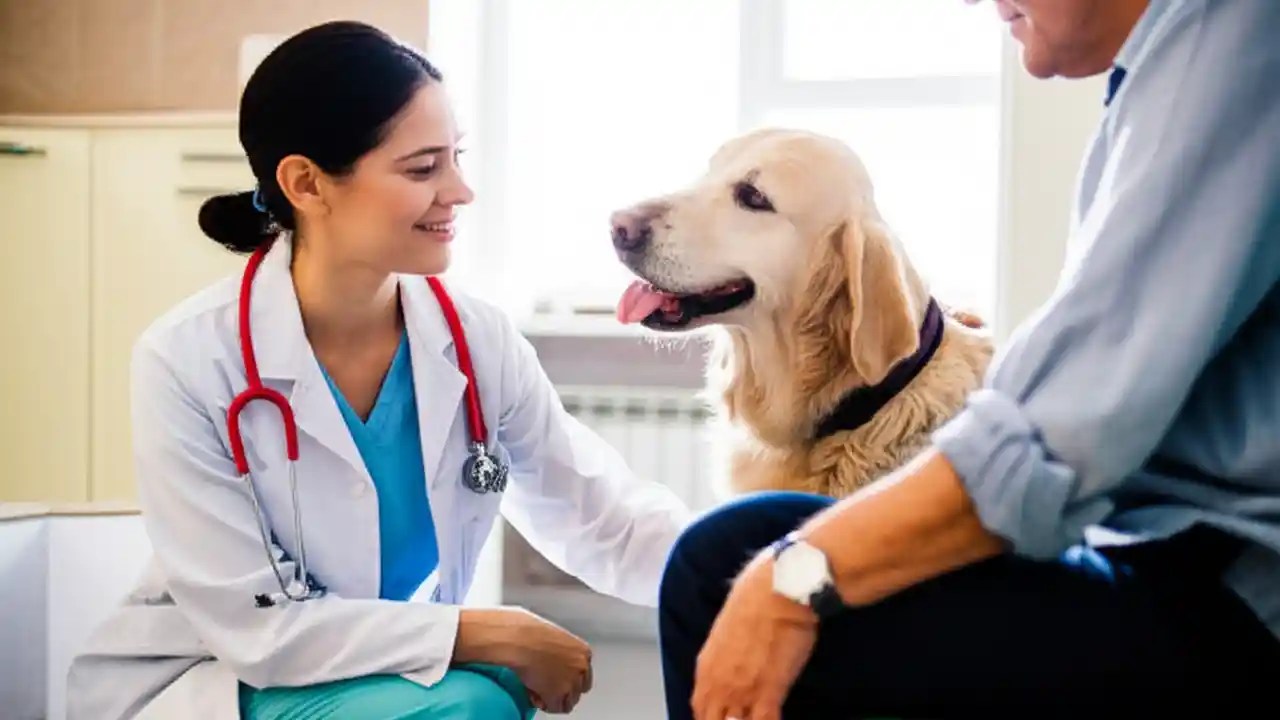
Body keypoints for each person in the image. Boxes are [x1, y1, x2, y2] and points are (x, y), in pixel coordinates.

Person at [658, 0, 1280, 718]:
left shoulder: (1237, 33)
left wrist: (790, 581)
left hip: (1227, 601)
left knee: (726, 561)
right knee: (754, 543)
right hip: (1159, 563)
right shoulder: (1159, 80)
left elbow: (1057, 435)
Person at [66, 21, 692, 720]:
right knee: (474, 701)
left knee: (485, 692)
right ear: (306, 183)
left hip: (373, 668)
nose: (459, 191)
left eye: (455, 158)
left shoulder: (477, 341)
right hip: (219, 677)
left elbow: (600, 516)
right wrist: (488, 630)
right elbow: (257, 629)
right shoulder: (187, 360)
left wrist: (763, 569)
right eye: (423, 169)